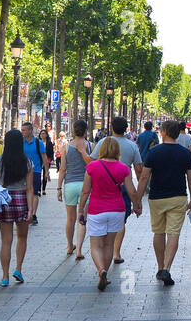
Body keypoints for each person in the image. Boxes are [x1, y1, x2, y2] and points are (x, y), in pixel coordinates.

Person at [134, 120, 191, 286]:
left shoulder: (154, 152)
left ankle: (160, 266)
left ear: (165, 132)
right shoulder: (185, 153)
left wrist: (137, 200)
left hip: (157, 198)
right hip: (178, 197)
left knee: (159, 232)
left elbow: (144, 177)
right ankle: (167, 269)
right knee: (174, 233)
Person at [79, 136, 138, 291]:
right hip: (117, 210)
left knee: (96, 245)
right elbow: (131, 190)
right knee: (109, 244)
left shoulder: (92, 167)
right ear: (117, 151)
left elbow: (85, 191)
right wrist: (137, 205)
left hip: (96, 210)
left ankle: (101, 271)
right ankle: (105, 272)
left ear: (102, 150)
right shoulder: (123, 168)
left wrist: (81, 209)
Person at [93, 116, 143, 265]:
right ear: (126, 128)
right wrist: (139, 196)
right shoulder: (132, 145)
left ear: (112, 127)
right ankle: (116, 253)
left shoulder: (103, 142)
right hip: (123, 185)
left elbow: (92, 162)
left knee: (102, 219)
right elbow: (139, 169)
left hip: (103, 185)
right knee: (120, 221)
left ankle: (103, 249)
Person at [0, 129, 35, 287]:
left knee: (6, 240)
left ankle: (5, 276)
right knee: (22, 237)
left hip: (4, 201)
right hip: (22, 199)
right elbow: (30, 188)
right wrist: (30, 209)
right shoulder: (27, 161)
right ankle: (19, 269)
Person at [58, 120, 93, 260]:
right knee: (82, 218)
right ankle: (79, 249)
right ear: (86, 131)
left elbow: (62, 169)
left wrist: (59, 188)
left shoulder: (66, 147)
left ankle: (69, 245)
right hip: (85, 185)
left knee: (70, 218)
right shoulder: (90, 145)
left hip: (70, 185)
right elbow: (93, 164)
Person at [20, 122, 49, 225]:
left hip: (35, 171)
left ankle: (33, 214)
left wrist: (46, 171)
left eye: (24, 130)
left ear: (30, 131)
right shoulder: (20, 142)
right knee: (24, 192)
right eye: (22, 130)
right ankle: (25, 212)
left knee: (34, 193)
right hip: (22, 172)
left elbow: (44, 157)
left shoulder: (38, 143)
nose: (22, 132)